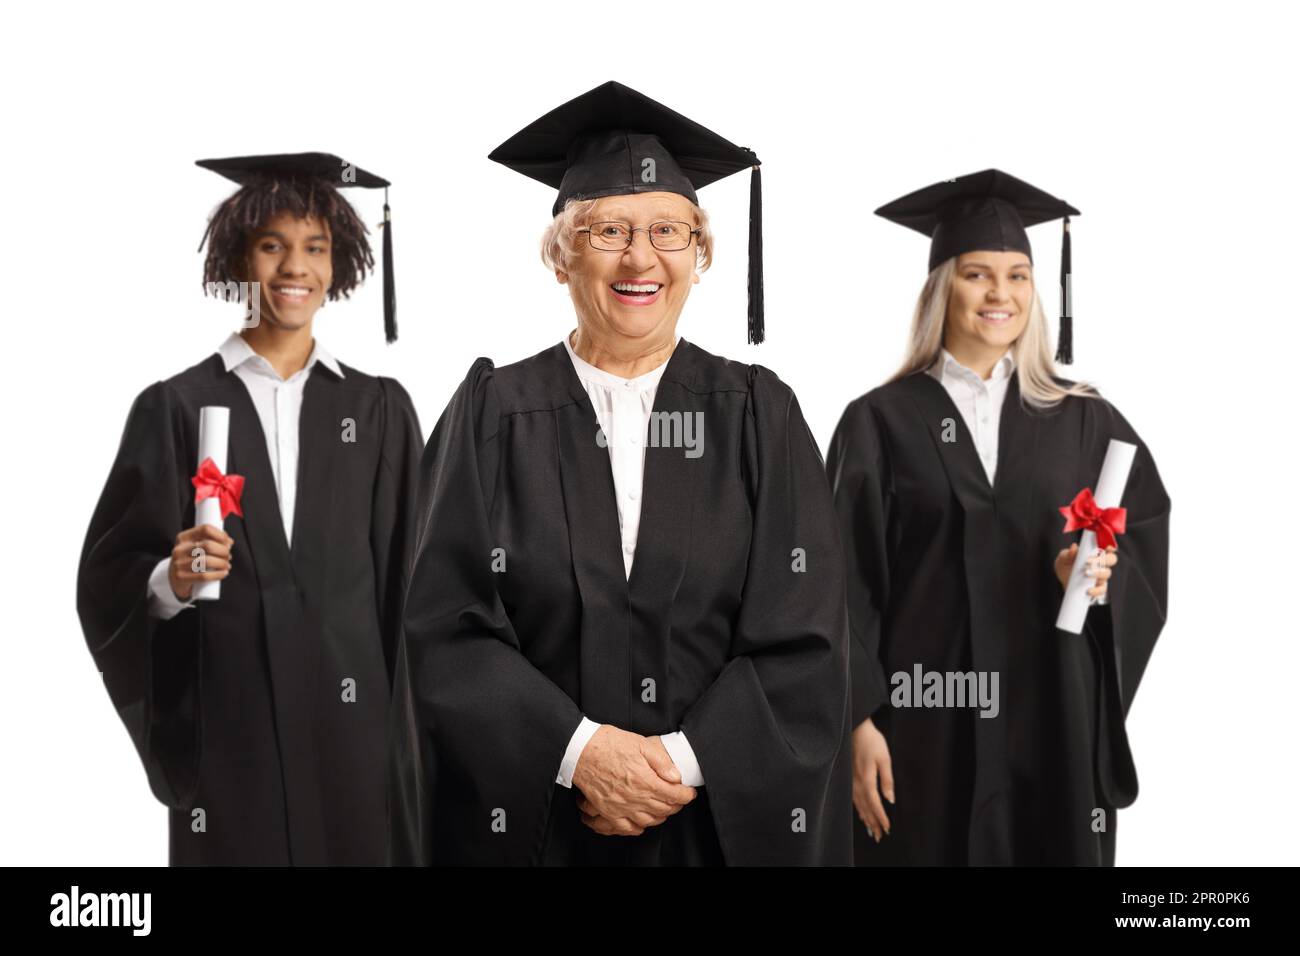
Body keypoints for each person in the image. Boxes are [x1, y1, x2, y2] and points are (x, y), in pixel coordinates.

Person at [388, 81, 851, 865]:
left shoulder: (755, 415)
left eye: (668, 231)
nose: (642, 257)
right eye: (609, 229)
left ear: (699, 257)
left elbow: (808, 636)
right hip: (542, 831)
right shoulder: (492, 414)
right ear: (562, 252)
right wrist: (579, 753)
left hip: (708, 830)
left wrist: (678, 763)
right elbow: (445, 627)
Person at [76, 152, 422, 865]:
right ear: (238, 259)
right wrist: (170, 582)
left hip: (355, 737)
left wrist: (417, 743)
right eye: (272, 246)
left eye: (315, 248)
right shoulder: (174, 407)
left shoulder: (379, 410)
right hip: (229, 731)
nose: (295, 267)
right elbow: (107, 578)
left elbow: (415, 589)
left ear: (340, 262)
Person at [828, 169, 1170, 865]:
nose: (1000, 295)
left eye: (1017, 276)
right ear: (941, 289)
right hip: (922, 724)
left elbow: (1142, 542)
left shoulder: (1085, 418)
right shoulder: (879, 422)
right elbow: (840, 584)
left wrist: (1097, 577)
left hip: (1052, 718)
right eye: (977, 274)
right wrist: (857, 721)